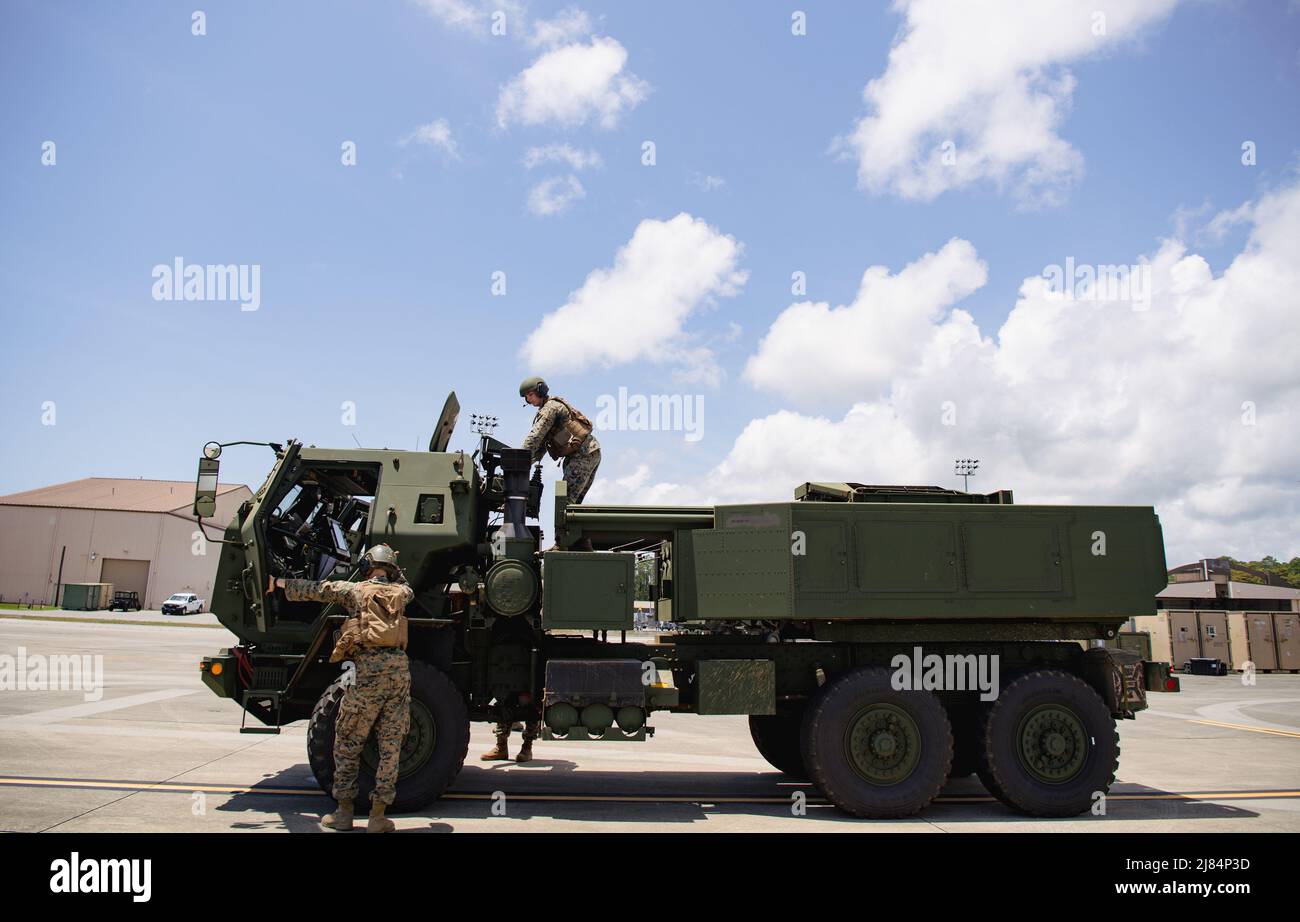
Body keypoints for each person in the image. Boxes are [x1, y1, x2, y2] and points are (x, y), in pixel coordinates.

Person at [267, 544, 412, 833]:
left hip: (367, 672)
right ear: (392, 569)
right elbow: (406, 585)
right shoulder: (402, 594)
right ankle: (378, 817)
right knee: (391, 745)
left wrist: (278, 583)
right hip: (399, 673)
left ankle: (344, 813)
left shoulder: (354, 591)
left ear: (367, 566)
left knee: (348, 741)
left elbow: (317, 589)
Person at [518, 376, 601, 505]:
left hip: (582, 454)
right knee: (573, 504)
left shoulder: (550, 408)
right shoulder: (549, 407)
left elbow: (535, 437)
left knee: (565, 503)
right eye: (526, 397)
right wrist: (526, 462)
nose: (528, 399)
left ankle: (565, 526)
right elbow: (541, 446)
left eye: (530, 394)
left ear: (541, 390)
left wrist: (517, 461)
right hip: (586, 452)